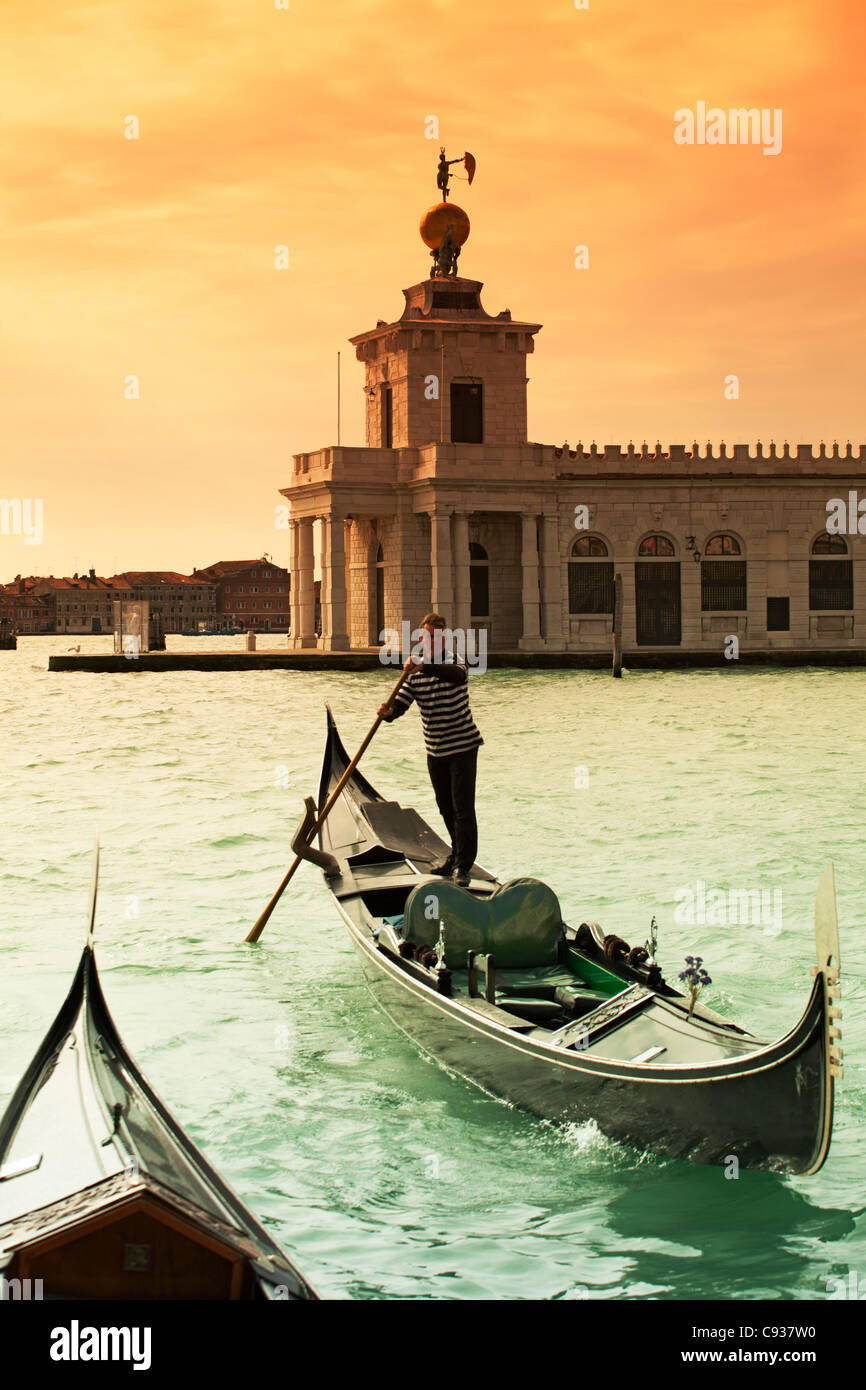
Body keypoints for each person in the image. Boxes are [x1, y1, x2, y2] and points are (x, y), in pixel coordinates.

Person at [376, 613, 483, 887]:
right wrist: (388, 713)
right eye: (426, 636)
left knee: (462, 808)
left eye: (436, 636)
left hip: (463, 746)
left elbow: (457, 677)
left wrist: (423, 666)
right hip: (435, 749)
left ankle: (463, 866)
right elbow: (401, 704)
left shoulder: (453, 661)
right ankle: (455, 856)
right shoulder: (414, 673)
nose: (430, 640)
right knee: (445, 807)